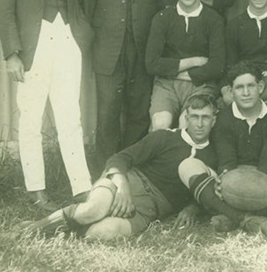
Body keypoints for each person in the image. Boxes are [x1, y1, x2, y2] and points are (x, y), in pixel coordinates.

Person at [0, 0, 93, 212]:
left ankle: (82, 188)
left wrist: (81, 35)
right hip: (34, 44)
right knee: (31, 118)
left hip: (66, 38)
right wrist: (12, 53)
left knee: (70, 116)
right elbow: (4, 10)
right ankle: (37, 190)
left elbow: (75, 1)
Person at [28, 95, 218, 240]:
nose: (200, 124)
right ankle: (25, 232)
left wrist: (192, 208)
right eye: (195, 117)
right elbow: (119, 158)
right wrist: (122, 185)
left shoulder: (213, 155)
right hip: (126, 183)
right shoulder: (165, 137)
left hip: (150, 208)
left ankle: (56, 228)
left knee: (102, 232)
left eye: (205, 118)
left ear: (214, 120)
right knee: (92, 210)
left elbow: (207, 192)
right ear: (186, 117)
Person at [178, 61, 267, 234]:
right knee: (187, 165)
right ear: (231, 91)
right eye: (240, 87)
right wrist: (225, 181)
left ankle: (231, 217)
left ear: (261, 87)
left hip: (264, 179)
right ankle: (245, 219)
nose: (246, 93)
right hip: (231, 180)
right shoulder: (224, 119)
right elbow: (227, 161)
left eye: (251, 86)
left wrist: (266, 184)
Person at [82, 0, 166, 167]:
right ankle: (106, 172)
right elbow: (87, 4)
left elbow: (163, 5)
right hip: (107, 49)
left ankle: (131, 169)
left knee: (139, 111)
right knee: (107, 111)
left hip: (142, 48)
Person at [145, 0, 225, 131]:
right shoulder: (162, 18)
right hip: (166, 85)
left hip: (201, 85)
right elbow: (152, 63)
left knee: (187, 123)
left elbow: (217, 66)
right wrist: (193, 61)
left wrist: (176, 71)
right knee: (160, 123)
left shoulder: (214, 19)